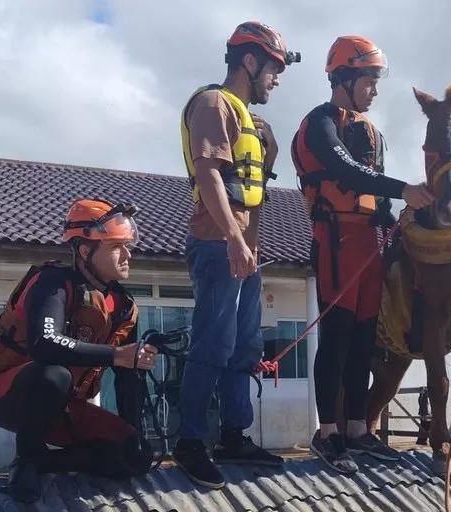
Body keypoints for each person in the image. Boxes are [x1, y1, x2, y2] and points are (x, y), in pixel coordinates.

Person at [292, 35, 434, 474]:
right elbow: (342, 170)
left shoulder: (372, 132)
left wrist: (395, 225)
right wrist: (402, 187)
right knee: (334, 338)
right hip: (335, 241)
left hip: (369, 244)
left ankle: (358, 430)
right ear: (346, 77)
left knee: (361, 340)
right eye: (369, 81)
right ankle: (327, 432)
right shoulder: (320, 122)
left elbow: (378, 195)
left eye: (375, 81)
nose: (374, 89)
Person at [174, 21, 299, 489]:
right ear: (250, 61)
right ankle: (189, 443)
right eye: (273, 68)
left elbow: (253, 194)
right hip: (216, 243)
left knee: (244, 346)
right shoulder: (212, 104)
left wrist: (249, 246)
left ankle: (233, 435)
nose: (276, 78)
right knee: (213, 343)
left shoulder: (251, 120)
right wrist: (232, 238)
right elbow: (208, 176)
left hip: (245, 251)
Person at [0, 198, 155, 503]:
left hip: (66, 408)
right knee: (53, 375)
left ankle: (45, 463)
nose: (128, 254)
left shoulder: (125, 307)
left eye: (128, 245)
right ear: (85, 251)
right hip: (11, 395)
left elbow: (130, 376)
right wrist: (116, 355)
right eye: (117, 247)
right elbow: (43, 343)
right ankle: (26, 460)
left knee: (135, 455)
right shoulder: (53, 283)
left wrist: (133, 433)